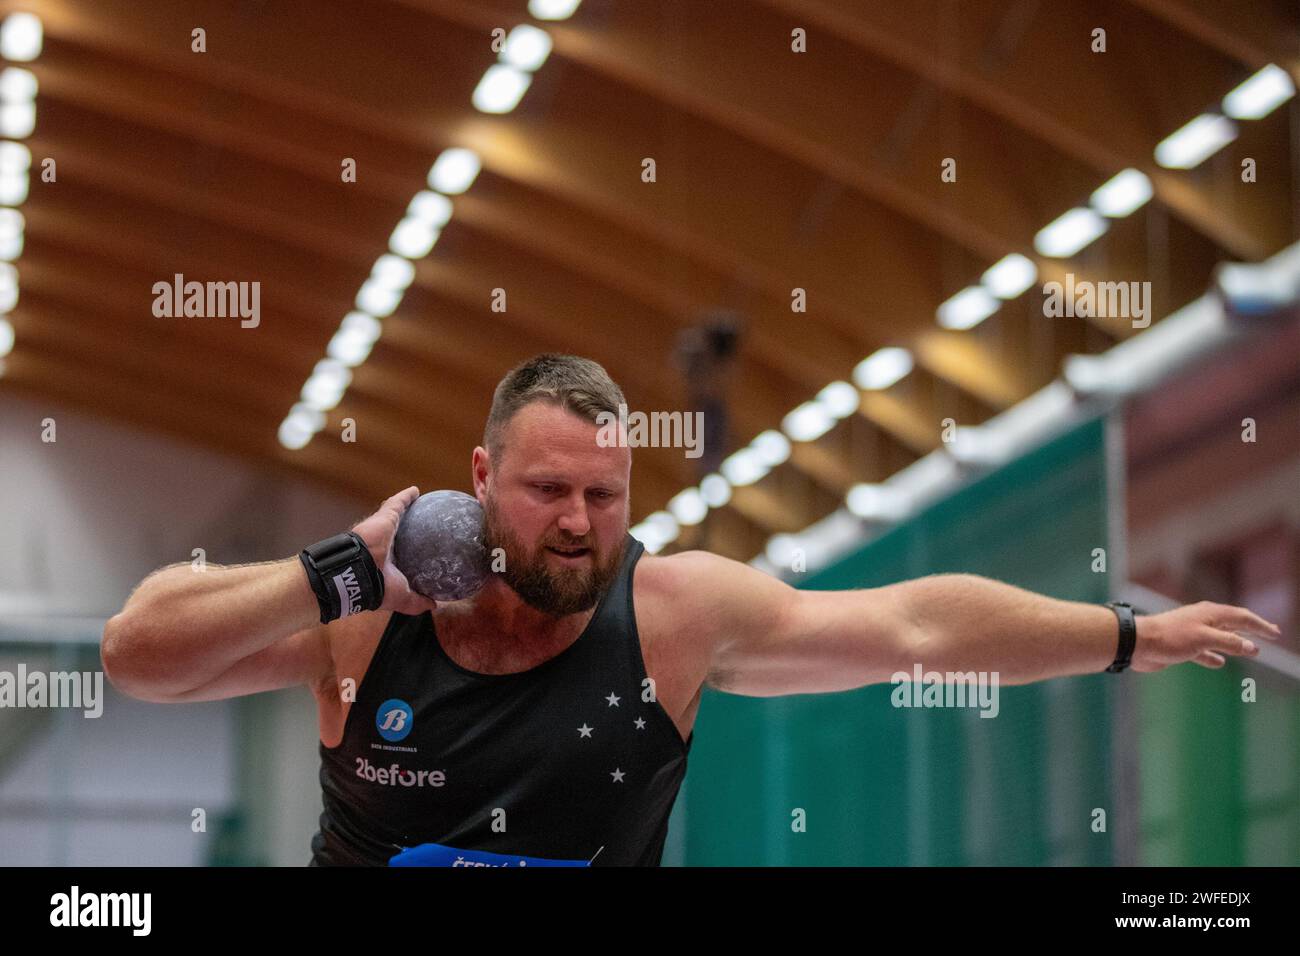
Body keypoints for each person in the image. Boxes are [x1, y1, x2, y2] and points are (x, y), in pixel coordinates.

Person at [100, 353, 1282, 866]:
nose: (577, 520)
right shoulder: (371, 612)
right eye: (547, 489)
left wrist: (1130, 633)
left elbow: (918, 623)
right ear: (477, 478)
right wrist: (336, 570)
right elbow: (139, 652)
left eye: (604, 494)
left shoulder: (671, 613)